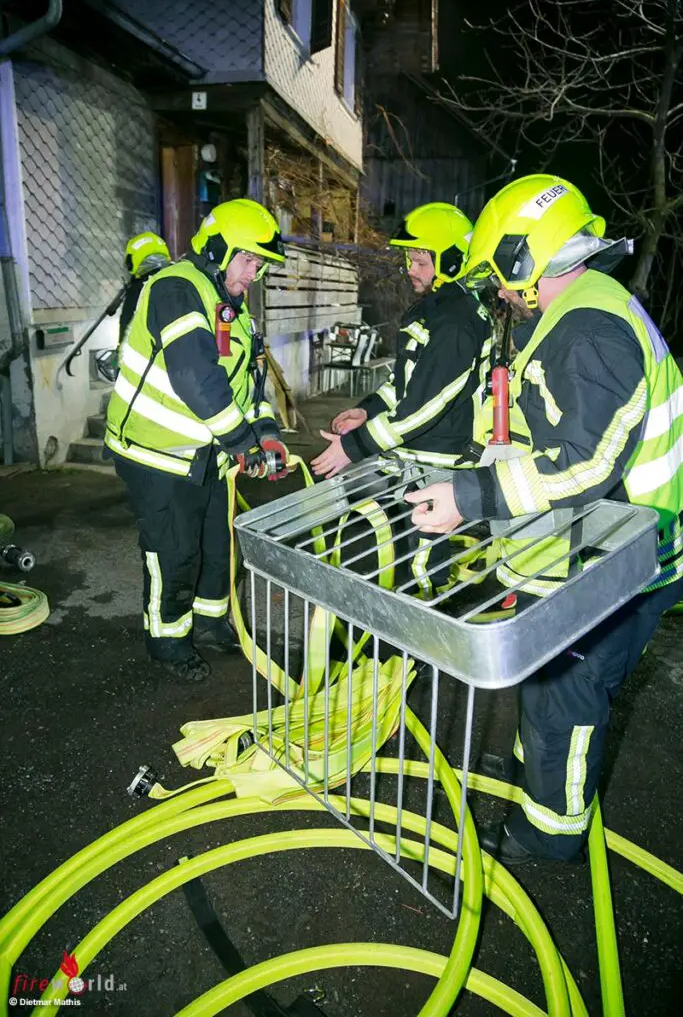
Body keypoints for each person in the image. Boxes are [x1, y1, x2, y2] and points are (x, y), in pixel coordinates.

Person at [406, 174, 683, 863]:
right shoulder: (575, 312)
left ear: (523, 258)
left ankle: (548, 831)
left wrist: (471, 496)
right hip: (600, 547)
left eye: (498, 271)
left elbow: (586, 467)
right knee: (551, 682)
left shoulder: (587, 329)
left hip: (621, 560)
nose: (498, 288)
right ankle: (544, 772)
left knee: (568, 685)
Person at [104, 199, 290, 682]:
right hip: (156, 452)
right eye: (249, 260)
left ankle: (208, 621)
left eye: (260, 264)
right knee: (174, 549)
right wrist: (240, 441)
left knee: (215, 543)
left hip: (205, 453)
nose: (255, 273)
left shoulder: (232, 306)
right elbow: (195, 377)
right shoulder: (176, 287)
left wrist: (265, 435)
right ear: (218, 247)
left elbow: (247, 383)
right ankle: (167, 641)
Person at [311, 202, 491, 596]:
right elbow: (404, 384)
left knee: (424, 570)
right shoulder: (435, 310)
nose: (411, 269)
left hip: (439, 462)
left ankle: (428, 651)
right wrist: (367, 410)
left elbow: (424, 408)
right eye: (410, 258)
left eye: (422, 261)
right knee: (405, 561)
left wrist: (354, 448)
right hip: (416, 459)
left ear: (453, 260)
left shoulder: (456, 321)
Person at [95, 232, 171, 383]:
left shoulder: (139, 290)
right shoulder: (180, 280)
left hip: (148, 373)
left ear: (134, 260)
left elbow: (127, 328)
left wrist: (119, 360)